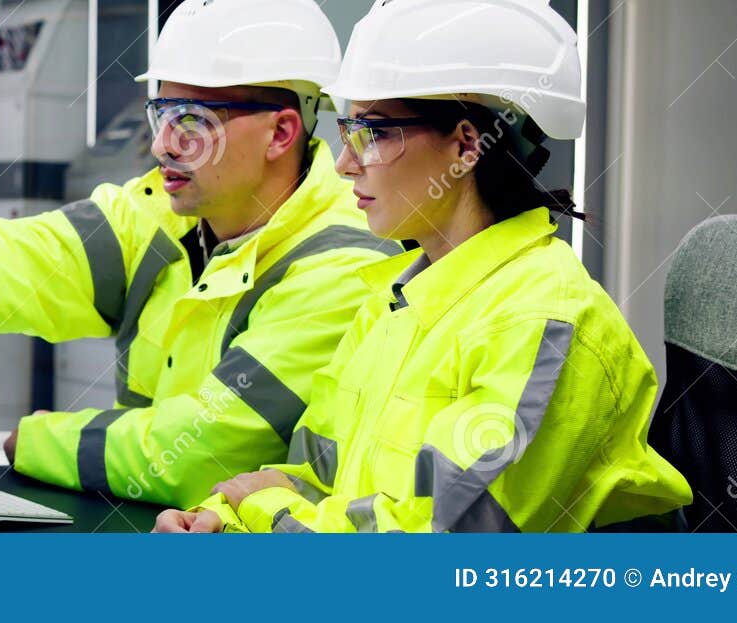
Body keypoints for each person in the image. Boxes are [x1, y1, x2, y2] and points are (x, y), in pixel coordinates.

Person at [0, 0, 398, 508]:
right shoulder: (162, 219)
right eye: (158, 113)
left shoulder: (342, 260)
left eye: (191, 120)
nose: (163, 145)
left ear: (282, 130)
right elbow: (27, 256)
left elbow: (202, 452)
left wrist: (40, 440)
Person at [156, 0, 692, 532]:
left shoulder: (544, 322)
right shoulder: (394, 300)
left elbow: (440, 546)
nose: (344, 164)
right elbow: (317, 479)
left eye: (373, 132)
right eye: (346, 132)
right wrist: (218, 516)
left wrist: (264, 511)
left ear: (465, 145)